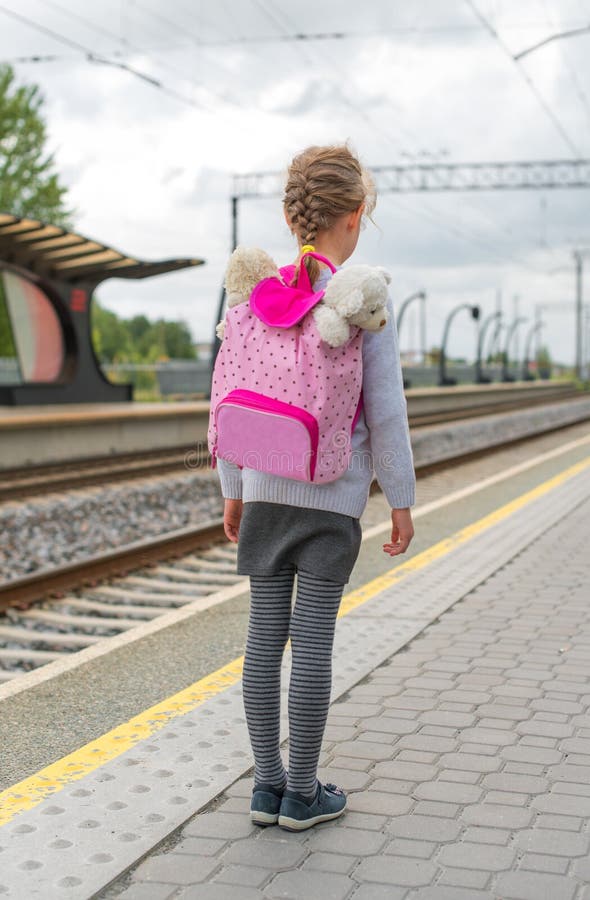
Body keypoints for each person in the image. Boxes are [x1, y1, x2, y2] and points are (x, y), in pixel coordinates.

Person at [217, 144, 415, 831]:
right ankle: (304, 793)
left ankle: (265, 789)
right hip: (330, 501)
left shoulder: (258, 296)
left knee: (263, 637)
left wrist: (232, 487)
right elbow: (385, 413)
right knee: (313, 642)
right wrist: (401, 498)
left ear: (289, 214)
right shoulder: (361, 300)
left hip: (266, 491)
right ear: (355, 218)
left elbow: (229, 394)